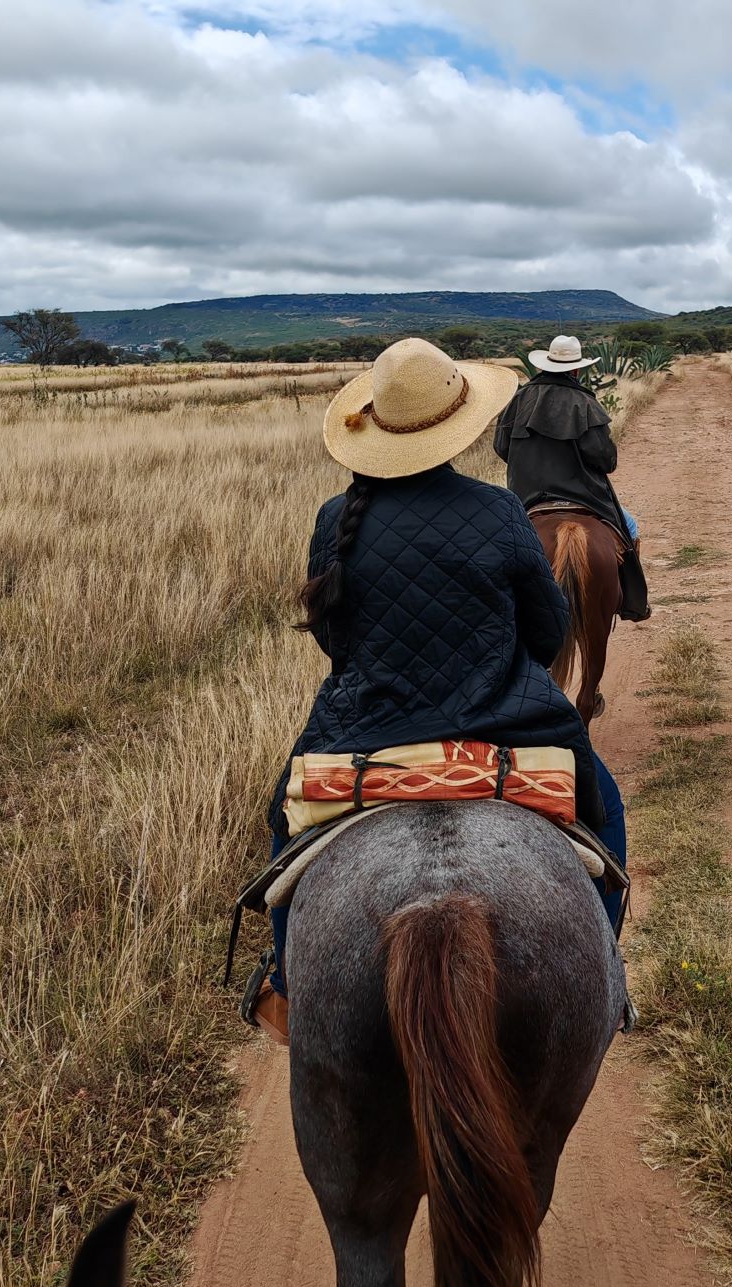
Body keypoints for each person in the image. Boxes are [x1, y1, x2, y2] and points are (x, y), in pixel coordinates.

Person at [245, 337, 624, 1042]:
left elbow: (334, 641)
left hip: (365, 728)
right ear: (460, 421)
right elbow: (547, 636)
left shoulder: (337, 518)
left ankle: (288, 983)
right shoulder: (499, 511)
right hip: (508, 723)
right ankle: (608, 980)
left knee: (280, 827)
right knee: (609, 812)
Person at [494, 334, 651, 621]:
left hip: (526, 498)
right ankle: (633, 602)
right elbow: (607, 460)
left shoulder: (518, 400)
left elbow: (501, 447)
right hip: (583, 497)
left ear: (546, 364)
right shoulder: (586, 404)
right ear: (577, 369)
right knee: (629, 525)